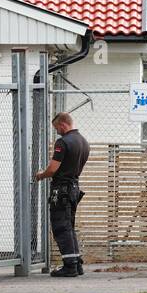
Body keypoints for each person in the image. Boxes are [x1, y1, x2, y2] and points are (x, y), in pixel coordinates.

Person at [34, 112, 90, 278]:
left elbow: (52, 169)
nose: (57, 131)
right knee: (69, 225)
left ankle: (70, 266)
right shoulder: (83, 142)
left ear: (63, 124)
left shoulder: (63, 142)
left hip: (62, 189)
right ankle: (76, 262)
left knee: (61, 226)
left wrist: (40, 175)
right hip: (74, 187)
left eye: (57, 127)